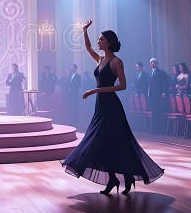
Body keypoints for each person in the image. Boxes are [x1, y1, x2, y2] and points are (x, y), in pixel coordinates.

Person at [61, 20, 163, 195]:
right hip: (100, 106)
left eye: (101, 39)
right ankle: (114, 178)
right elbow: (87, 47)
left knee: (116, 141)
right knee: (104, 142)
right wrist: (84, 30)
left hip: (112, 107)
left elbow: (123, 85)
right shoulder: (100, 59)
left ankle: (127, 176)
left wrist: (95, 90)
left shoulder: (117, 62)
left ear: (108, 43)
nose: (98, 41)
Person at [147, 58, 168, 133]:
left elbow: (165, 82)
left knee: (159, 112)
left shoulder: (161, 72)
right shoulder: (149, 73)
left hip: (159, 94)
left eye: (154, 62)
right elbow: (149, 84)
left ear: (157, 64)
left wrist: (164, 92)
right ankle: (154, 129)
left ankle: (160, 129)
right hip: (152, 95)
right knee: (153, 112)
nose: (152, 64)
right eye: (151, 62)